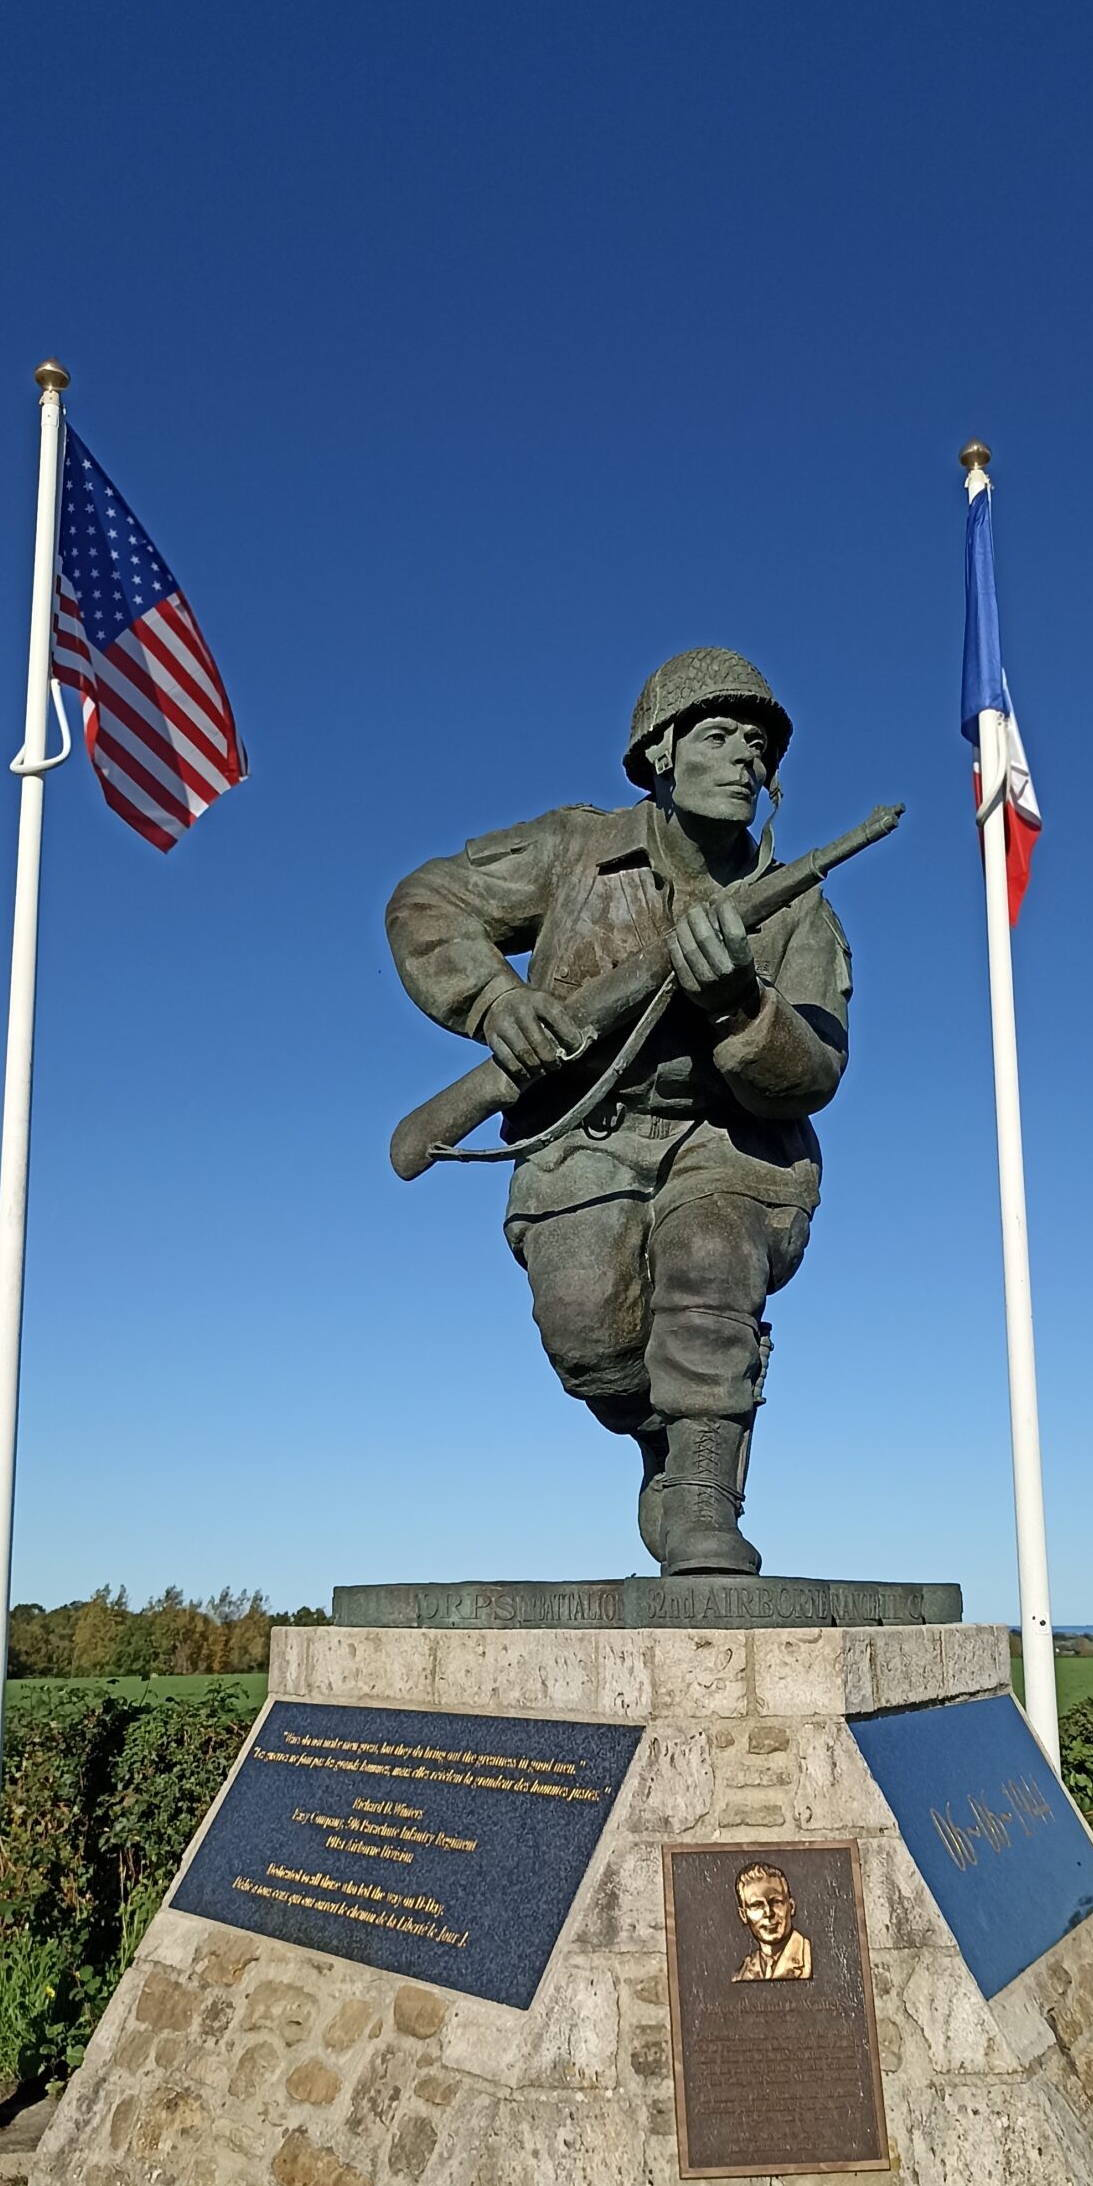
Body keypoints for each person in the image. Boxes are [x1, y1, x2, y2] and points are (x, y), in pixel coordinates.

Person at [385, 649, 850, 1574]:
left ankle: (708, 1493)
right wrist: (493, 1004)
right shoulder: (573, 852)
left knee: (710, 1261)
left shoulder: (797, 909)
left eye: (758, 745)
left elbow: (814, 1070)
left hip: (734, 1140)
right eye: (718, 737)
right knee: (589, 1338)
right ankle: (668, 1447)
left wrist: (737, 1009)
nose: (745, 760)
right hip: (584, 1135)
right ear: (662, 752)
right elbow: (426, 901)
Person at [731, 1860, 813, 1981]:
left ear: (791, 1906)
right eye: (757, 1905)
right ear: (743, 1915)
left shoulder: (811, 1957)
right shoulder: (742, 1973)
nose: (769, 1913)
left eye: (776, 1902)